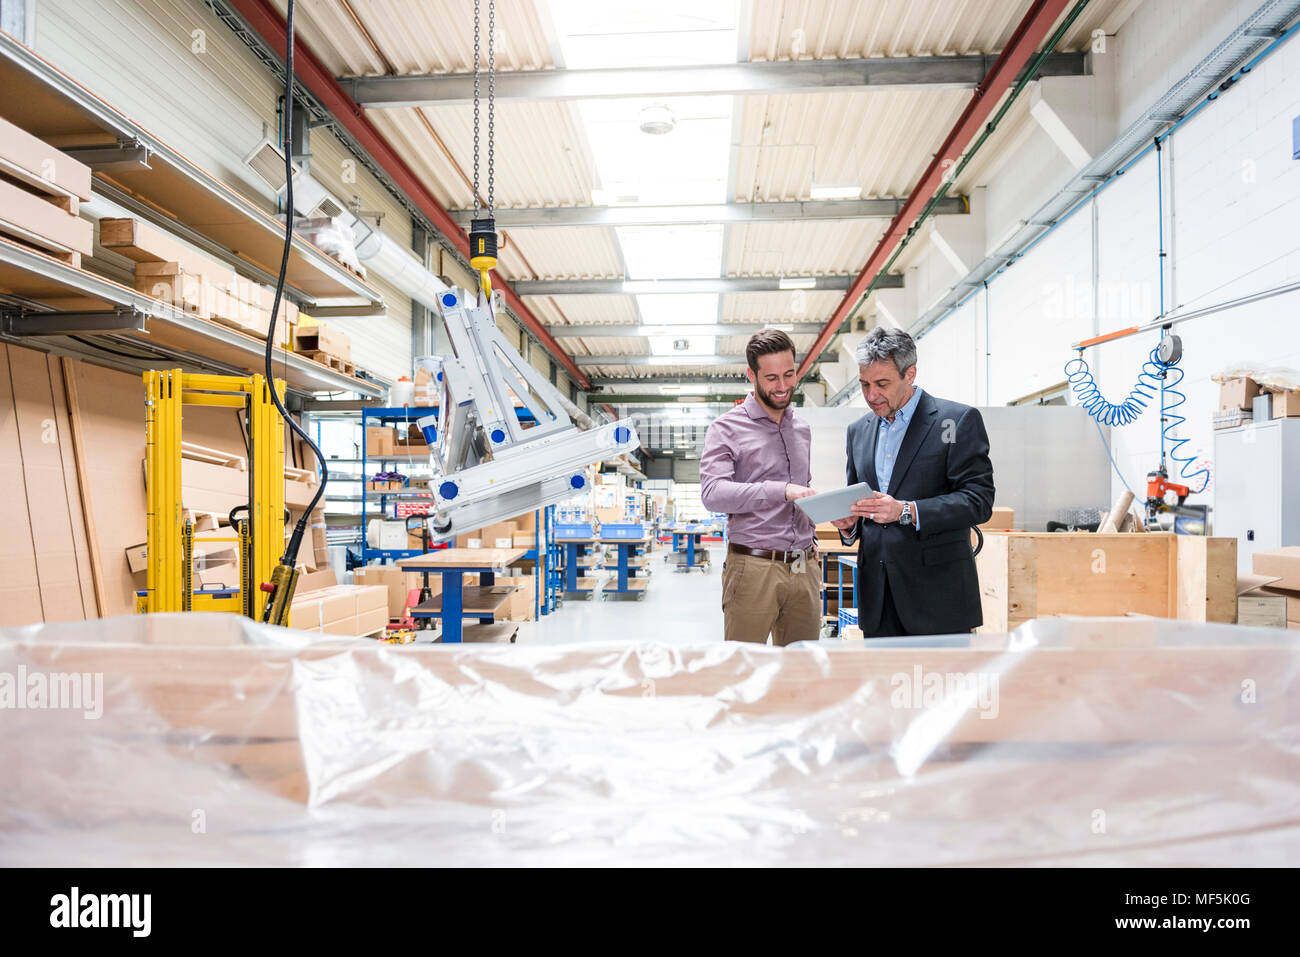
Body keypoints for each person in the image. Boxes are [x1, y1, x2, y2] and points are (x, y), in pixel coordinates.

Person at [830, 326, 994, 637]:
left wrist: (906, 510)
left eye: (882, 384)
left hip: (938, 598)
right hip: (877, 599)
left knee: (941, 684)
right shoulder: (858, 431)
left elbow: (978, 500)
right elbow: (863, 502)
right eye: (864, 384)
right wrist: (850, 523)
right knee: (884, 684)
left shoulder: (953, 422)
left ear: (910, 374)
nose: (871, 395)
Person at [700, 329, 821, 646]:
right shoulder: (726, 428)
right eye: (771, 378)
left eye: (789, 374)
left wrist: (815, 533)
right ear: (751, 375)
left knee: (801, 672)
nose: (782, 387)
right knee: (745, 672)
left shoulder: (802, 429)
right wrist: (779, 490)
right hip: (753, 567)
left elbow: (803, 488)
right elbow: (713, 493)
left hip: (804, 566)